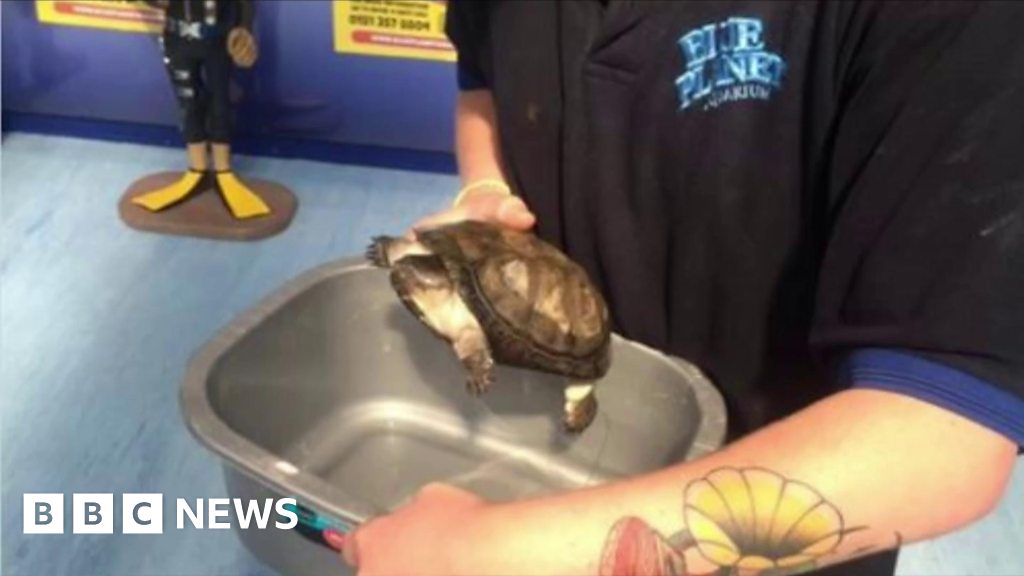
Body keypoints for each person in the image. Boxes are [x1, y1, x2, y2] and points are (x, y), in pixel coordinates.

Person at [339, 2, 1023, 574]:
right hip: (551, 457)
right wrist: (486, 190)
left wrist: (477, 554)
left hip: (769, 527)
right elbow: (482, 83)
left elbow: (941, 439)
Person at [132, 0, 270, 219]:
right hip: (176, 38)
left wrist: (244, 27)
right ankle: (197, 168)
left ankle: (223, 170)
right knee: (188, 102)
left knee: (219, 101)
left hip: (218, 38)